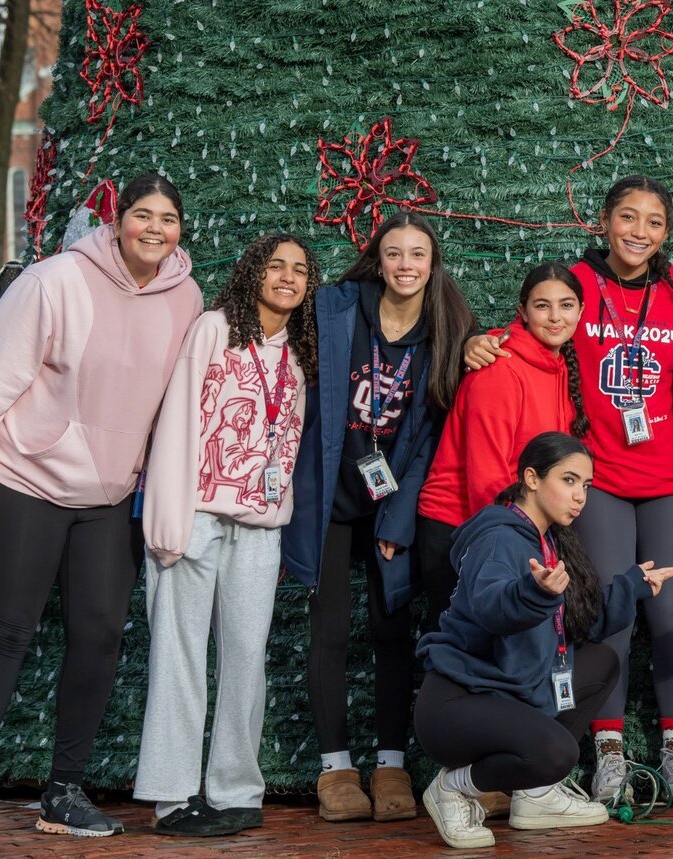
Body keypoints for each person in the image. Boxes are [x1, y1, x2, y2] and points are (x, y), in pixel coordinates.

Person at [0, 174, 203, 852]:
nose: (154, 228)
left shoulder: (187, 296)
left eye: (168, 218)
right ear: (117, 222)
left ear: (180, 229)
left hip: (109, 495)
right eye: (141, 214)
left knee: (100, 634)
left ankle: (63, 792)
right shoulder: (54, 281)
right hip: (24, 479)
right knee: (6, 629)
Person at [484, 178, 673, 803]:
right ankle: (609, 756)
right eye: (627, 217)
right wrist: (485, 341)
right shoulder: (580, 283)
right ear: (604, 221)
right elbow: (538, 323)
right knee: (611, 612)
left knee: (671, 614)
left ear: (666, 232)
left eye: (654, 221)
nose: (640, 231)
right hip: (601, 479)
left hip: (667, 480)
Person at [281, 213, 476, 823]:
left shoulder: (447, 330)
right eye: (395, 253)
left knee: (392, 631)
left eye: (418, 254)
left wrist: (398, 519)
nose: (406, 265)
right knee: (331, 630)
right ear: (378, 259)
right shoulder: (336, 308)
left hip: (391, 501)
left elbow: (430, 439)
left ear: (432, 264)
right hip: (331, 500)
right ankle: (335, 769)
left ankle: (392, 764)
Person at [413, 432, 673, 849]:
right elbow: (491, 605)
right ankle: (452, 788)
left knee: (601, 661)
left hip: (508, 693)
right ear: (531, 479)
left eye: (586, 485)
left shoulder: (549, 540)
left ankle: (534, 796)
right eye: (569, 480)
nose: (580, 496)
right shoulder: (499, 537)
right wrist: (532, 592)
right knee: (556, 752)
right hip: (457, 703)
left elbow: (580, 623)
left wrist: (634, 586)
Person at [135, 235, 317, 836]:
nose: (287, 277)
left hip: (260, 527)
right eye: (275, 265)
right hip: (194, 517)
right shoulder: (214, 330)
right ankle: (172, 797)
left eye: (299, 270)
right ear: (252, 273)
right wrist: (167, 517)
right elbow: (177, 420)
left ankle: (235, 789)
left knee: (245, 660)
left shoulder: (299, 352)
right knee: (180, 656)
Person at [418, 262, 590, 620]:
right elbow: (487, 475)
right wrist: (516, 542)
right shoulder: (500, 368)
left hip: (514, 524)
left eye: (566, 305)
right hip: (463, 525)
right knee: (463, 644)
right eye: (542, 306)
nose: (555, 317)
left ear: (580, 311)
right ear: (522, 312)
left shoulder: (558, 367)